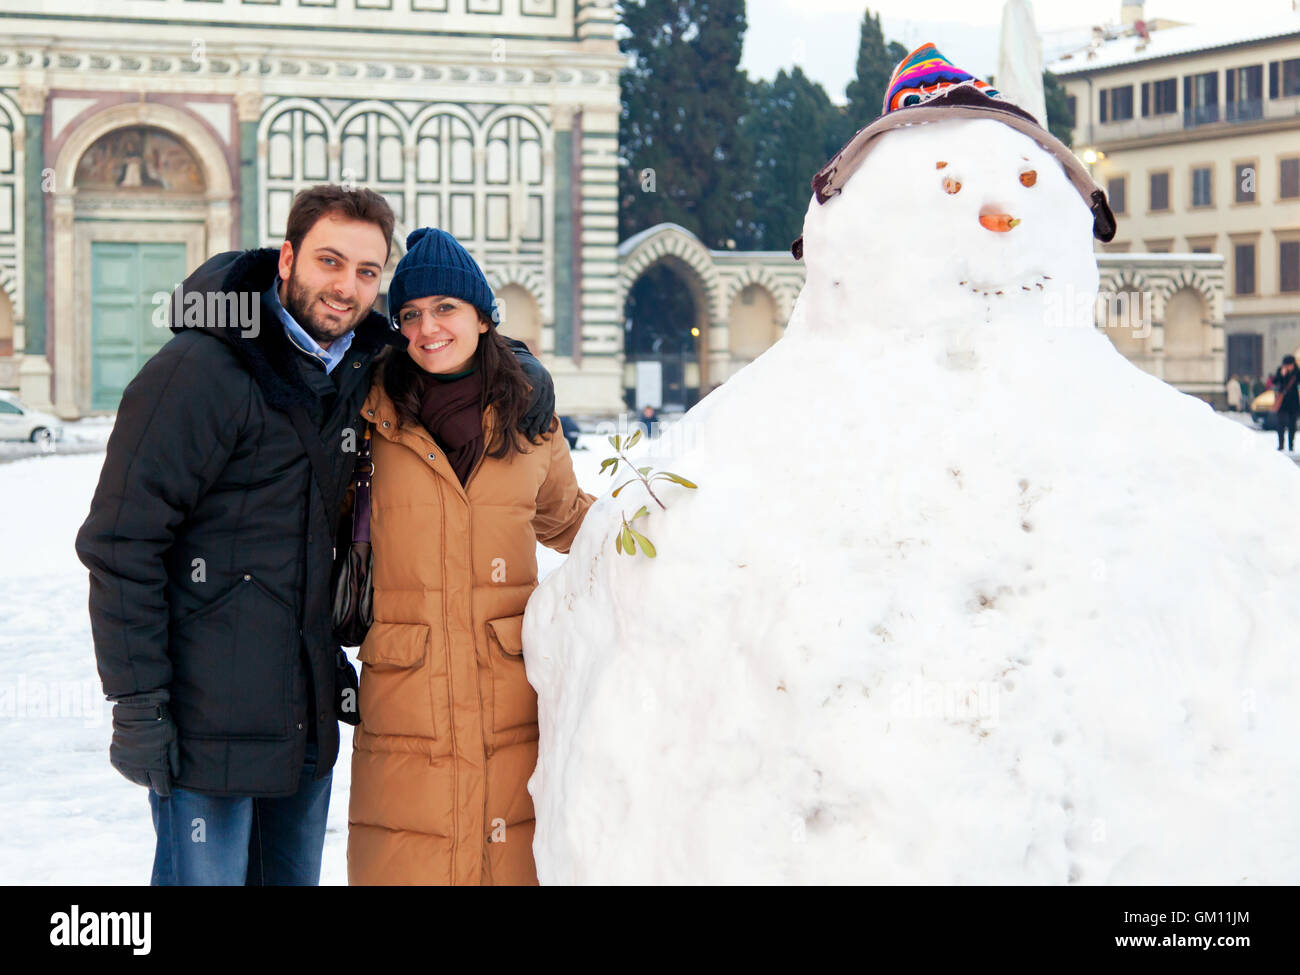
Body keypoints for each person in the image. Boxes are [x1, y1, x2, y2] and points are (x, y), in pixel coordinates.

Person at [75, 186, 556, 886]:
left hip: (304, 716)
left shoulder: (360, 368)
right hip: (205, 724)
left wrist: (522, 371)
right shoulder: (198, 371)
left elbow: (451, 344)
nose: (346, 287)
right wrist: (138, 701)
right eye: (330, 261)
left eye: (367, 272)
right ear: (289, 258)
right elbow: (120, 542)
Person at [347, 227, 596, 885]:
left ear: (484, 316)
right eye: (411, 313)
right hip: (405, 705)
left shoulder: (529, 417)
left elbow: (568, 519)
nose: (427, 327)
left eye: (446, 308)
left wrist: (674, 530)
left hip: (509, 699)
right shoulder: (370, 416)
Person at [1271, 354, 1300, 452]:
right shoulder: (1280, 370)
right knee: (1281, 424)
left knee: (1292, 425)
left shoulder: (1297, 372)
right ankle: (1281, 445)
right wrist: (1282, 376)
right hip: (1282, 402)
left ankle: (1291, 445)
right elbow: (1274, 381)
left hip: (1293, 402)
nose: (1287, 367)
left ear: (1292, 364)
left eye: (1289, 365)